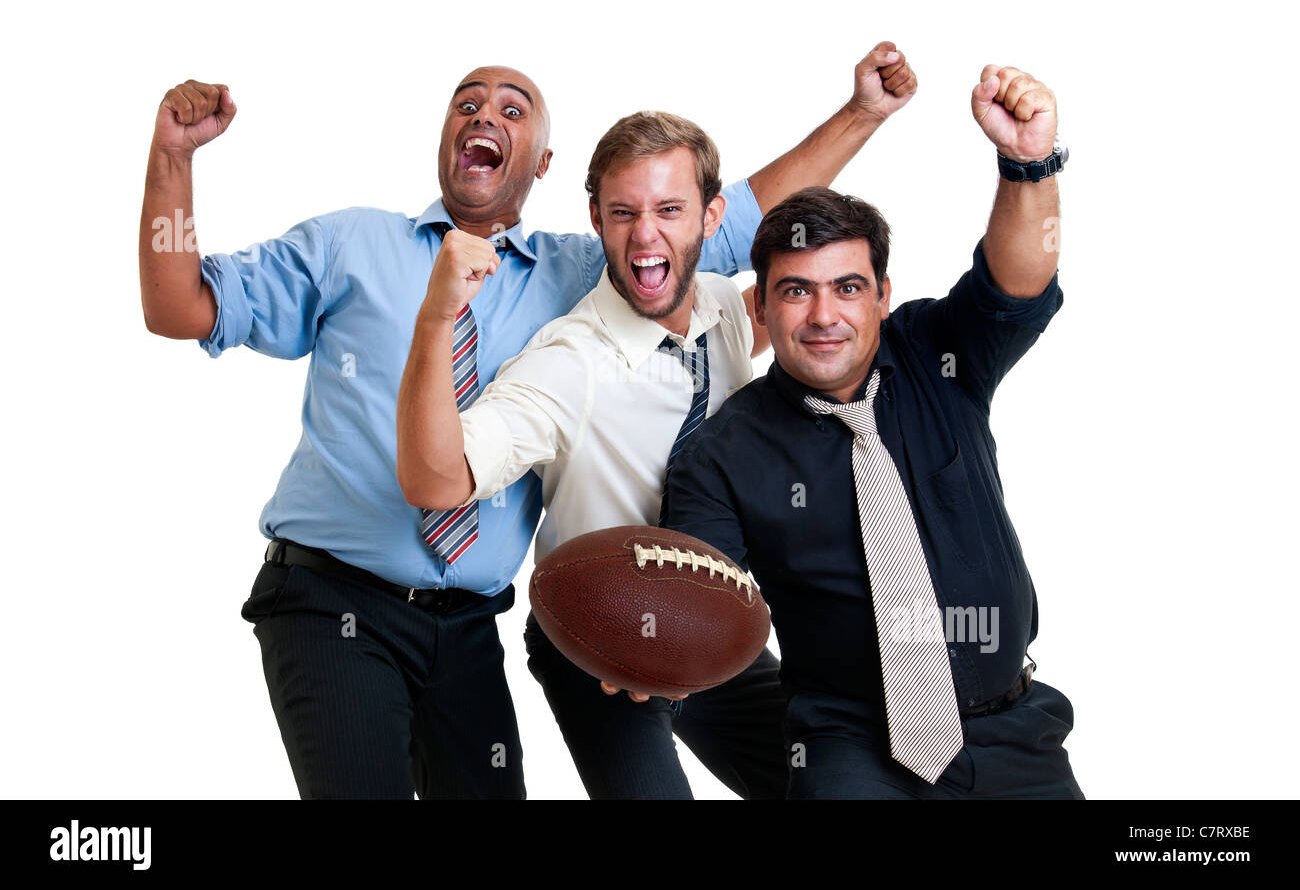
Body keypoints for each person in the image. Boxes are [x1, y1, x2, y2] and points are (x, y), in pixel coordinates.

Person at [136, 47, 917, 799]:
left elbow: (737, 217)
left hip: (470, 620)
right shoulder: (353, 244)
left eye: (513, 108)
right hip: (334, 593)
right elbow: (179, 306)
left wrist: (862, 112)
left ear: (542, 163)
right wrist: (174, 156)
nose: (485, 114)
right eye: (467, 102)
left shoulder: (581, 268)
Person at [400, 106, 911, 798]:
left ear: (711, 217)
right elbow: (435, 481)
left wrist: (862, 114)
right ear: (596, 218)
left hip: (703, 615)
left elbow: (780, 309)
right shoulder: (568, 362)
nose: (645, 234)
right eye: (623, 213)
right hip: (596, 629)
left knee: (836, 779)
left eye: (670, 209)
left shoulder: (723, 310)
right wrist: (437, 319)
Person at [660, 63, 1085, 799]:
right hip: (850, 745)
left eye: (848, 287)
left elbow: (1018, 285)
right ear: (759, 308)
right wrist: (646, 646)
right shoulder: (719, 457)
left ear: (882, 296)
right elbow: (699, 613)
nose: (824, 316)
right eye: (796, 291)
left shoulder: (936, 352)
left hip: (1014, 732)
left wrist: (1028, 164)